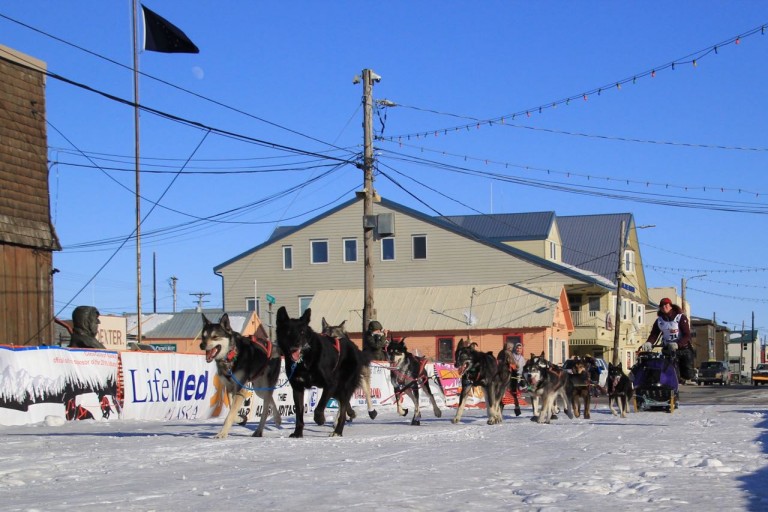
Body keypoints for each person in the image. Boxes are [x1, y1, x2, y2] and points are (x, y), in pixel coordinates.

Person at [644, 297, 695, 383]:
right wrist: (649, 342)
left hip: (683, 349)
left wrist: (678, 344)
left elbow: (687, 335)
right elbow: (654, 334)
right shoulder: (659, 321)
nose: (664, 307)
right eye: (662, 306)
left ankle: (685, 378)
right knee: (668, 371)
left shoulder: (680, 318)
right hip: (668, 350)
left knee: (687, 374)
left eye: (666, 305)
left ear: (671, 306)